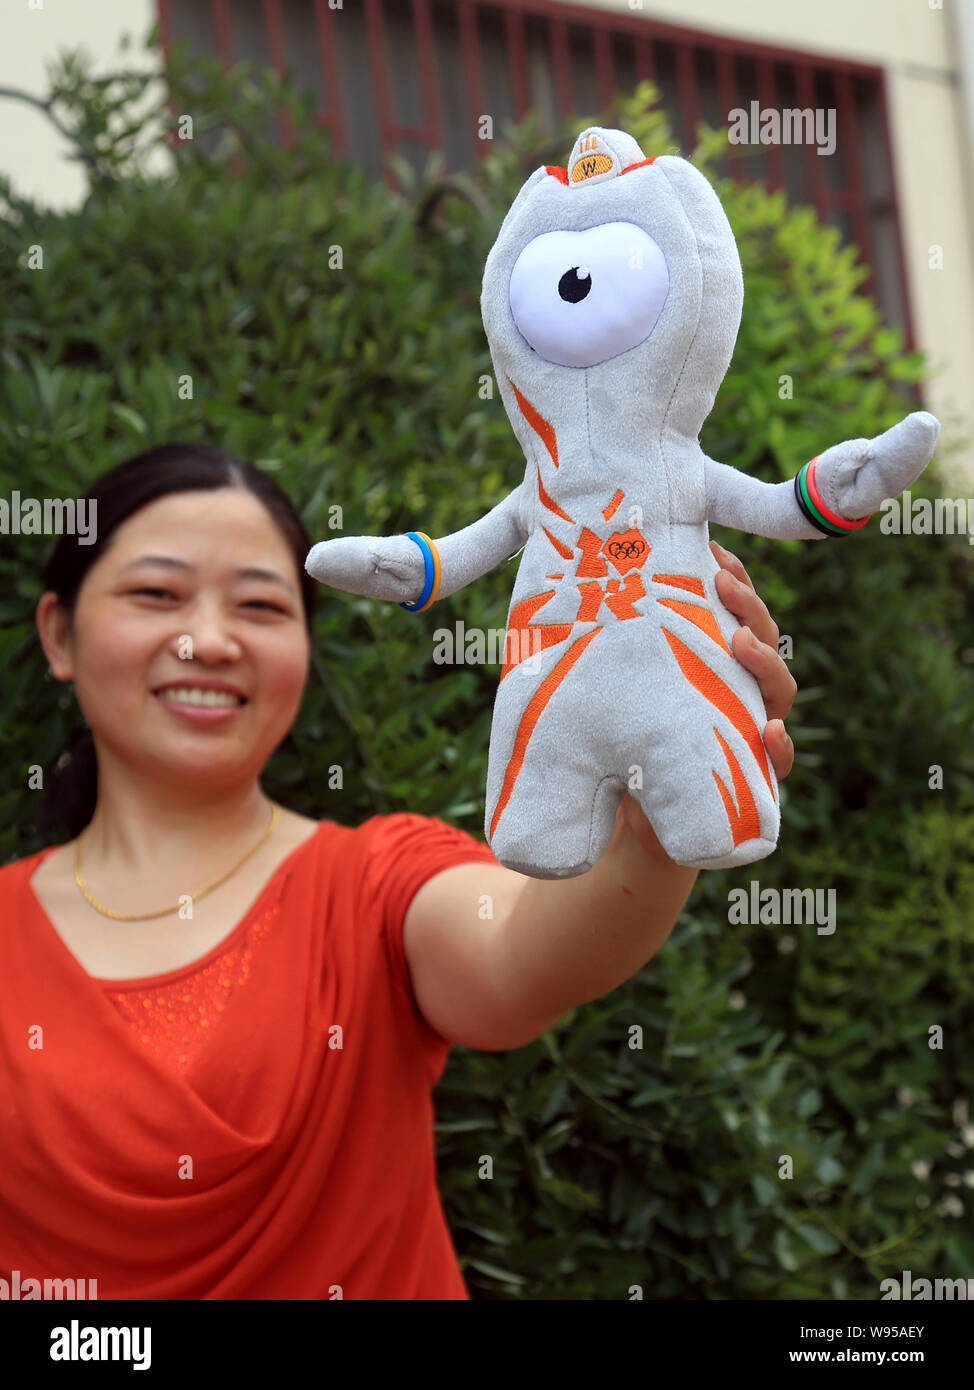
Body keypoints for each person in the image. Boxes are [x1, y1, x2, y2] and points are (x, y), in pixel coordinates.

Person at [0, 442, 796, 1301]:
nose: (210, 640)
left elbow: (526, 952)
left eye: (261, 606)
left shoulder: (376, 884)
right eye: (156, 595)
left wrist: (652, 824)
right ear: (58, 632)